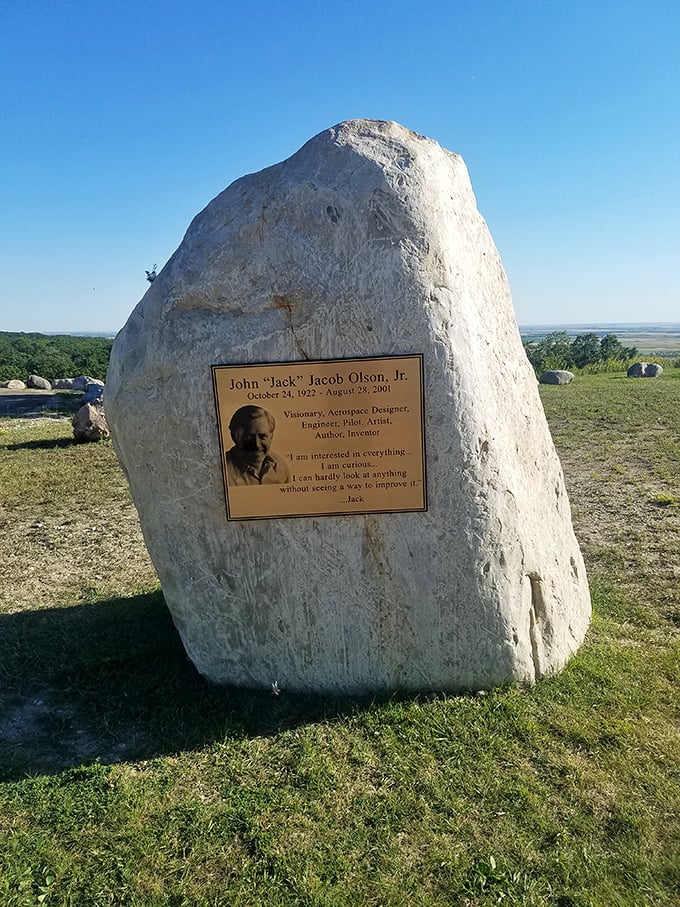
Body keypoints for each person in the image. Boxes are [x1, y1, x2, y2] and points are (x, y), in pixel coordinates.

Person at [225, 405, 290, 486]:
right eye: (249, 437)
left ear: (271, 436)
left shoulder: (281, 467)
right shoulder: (223, 471)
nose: (256, 444)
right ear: (236, 437)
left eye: (262, 436)